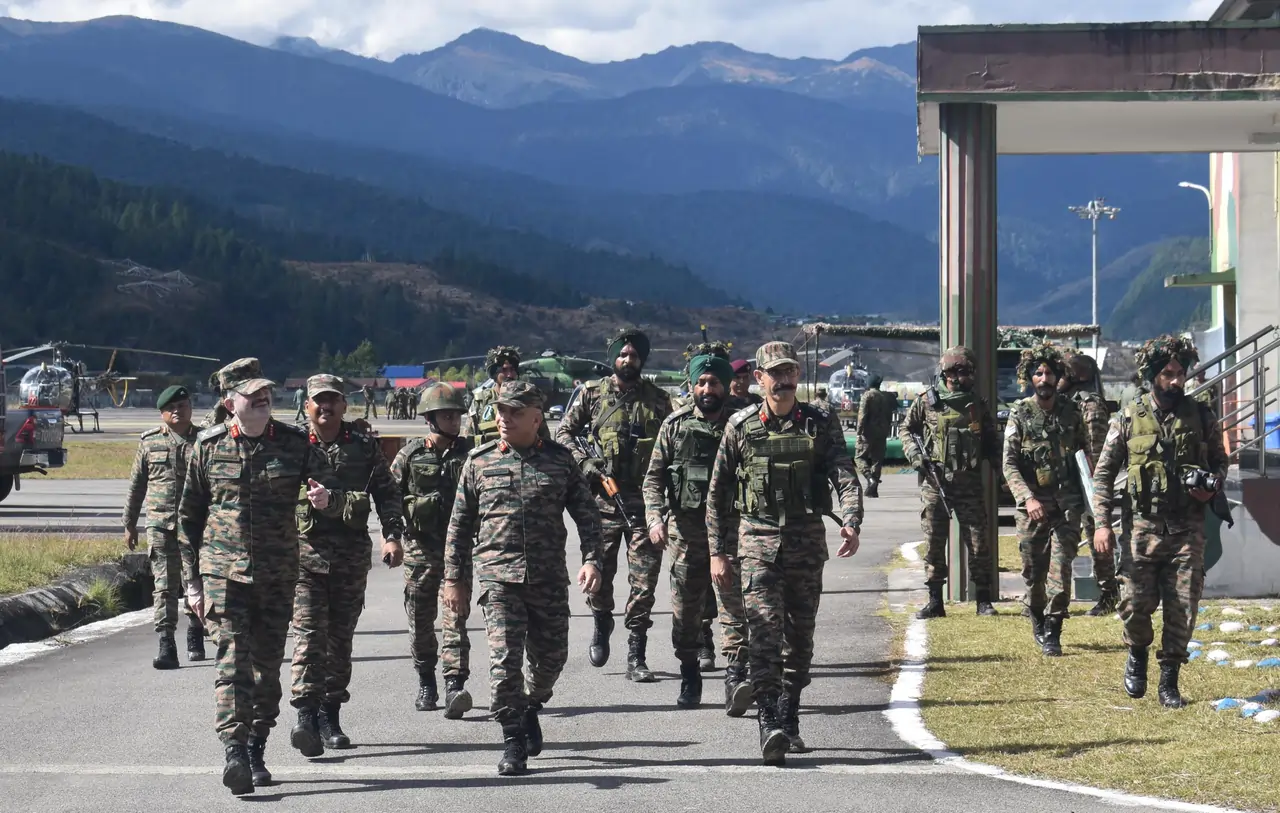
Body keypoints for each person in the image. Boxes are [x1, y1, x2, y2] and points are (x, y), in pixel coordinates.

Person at [177, 358, 343, 796]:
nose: (264, 399)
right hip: (222, 575)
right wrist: (191, 584)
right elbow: (188, 519)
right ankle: (233, 750)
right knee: (233, 664)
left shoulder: (294, 444)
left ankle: (256, 746)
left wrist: (325, 497)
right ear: (231, 402)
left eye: (267, 393)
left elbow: (330, 488)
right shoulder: (208, 447)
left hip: (277, 574)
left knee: (267, 670)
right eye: (253, 394)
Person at [706, 341, 863, 765]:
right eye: (775, 373)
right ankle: (770, 721)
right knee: (764, 633)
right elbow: (718, 496)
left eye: (790, 372)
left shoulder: (820, 422)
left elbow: (844, 476)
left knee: (800, 641)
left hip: (807, 545)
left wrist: (851, 519)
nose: (784, 380)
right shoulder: (739, 426)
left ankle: (790, 713)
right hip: (756, 545)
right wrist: (718, 552)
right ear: (759, 379)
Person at [442, 380, 605, 776]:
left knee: (551, 660)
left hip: (548, 579)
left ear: (536, 418)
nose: (504, 418)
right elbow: (459, 527)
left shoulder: (561, 461)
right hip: (499, 581)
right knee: (503, 665)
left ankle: (531, 705)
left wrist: (592, 561)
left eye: (514, 412)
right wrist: (454, 579)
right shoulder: (478, 463)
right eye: (501, 411)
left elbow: (588, 517)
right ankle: (512, 739)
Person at [1092, 335, 1227, 708]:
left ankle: (1170, 680)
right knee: (1135, 605)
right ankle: (1137, 651)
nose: (1176, 381)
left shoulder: (1200, 415)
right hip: (1141, 530)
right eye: (1168, 373)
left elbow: (1220, 461)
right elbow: (1103, 475)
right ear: (1152, 375)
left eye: (1181, 373)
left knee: (1183, 607)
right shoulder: (1129, 416)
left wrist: (1211, 488)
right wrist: (1102, 524)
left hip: (1188, 530)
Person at [289, 374, 404, 755]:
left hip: (350, 560)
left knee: (340, 640)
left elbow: (388, 493)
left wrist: (392, 536)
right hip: (302, 559)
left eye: (333, 400)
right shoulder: (291, 446)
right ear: (306, 405)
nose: (326, 407)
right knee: (308, 636)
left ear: (344, 405)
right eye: (318, 400)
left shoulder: (363, 447)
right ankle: (305, 715)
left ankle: (330, 714)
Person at [555, 327, 673, 679]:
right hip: (600, 504)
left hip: (644, 505)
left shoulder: (658, 399)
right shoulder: (591, 395)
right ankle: (601, 620)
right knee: (599, 578)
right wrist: (584, 462)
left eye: (634, 355)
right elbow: (564, 433)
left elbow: (670, 444)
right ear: (613, 360)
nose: (628, 360)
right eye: (622, 355)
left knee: (644, 583)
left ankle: (636, 654)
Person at [642, 354, 750, 713]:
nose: (707, 389)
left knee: (734, 607)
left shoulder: (742, 424)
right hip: (686, 537)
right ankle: (690, 673)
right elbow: (654, 479)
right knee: (686, 616)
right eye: (701, 383)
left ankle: (736, 676)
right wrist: (655, 519)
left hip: (734, 534)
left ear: (724, 385)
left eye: (714, 383)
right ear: (691, 386)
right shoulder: (675, 426)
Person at [391, 383, 475, 718]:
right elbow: (390, 499)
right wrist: (391, 537)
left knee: (456, 619)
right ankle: (427, 681)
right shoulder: (409, 456)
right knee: (421, 622)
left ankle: (455, 684)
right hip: (419, 552)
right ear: (431, 419)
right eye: (446, 415)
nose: (454, 420)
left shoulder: (471, 456)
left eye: (456, 414)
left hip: (457, 553)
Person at [899, 346, 1001, 618]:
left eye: (967, 372)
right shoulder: (928, 402)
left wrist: (1005, 476)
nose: (962, 378)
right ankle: (935, 600)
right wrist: (915, 456)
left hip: (969, 483)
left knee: (979, 544)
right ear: (946, 373)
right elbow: (906, 429)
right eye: (957, 372)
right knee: (933, 542)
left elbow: (993, 443)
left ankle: (983, 600)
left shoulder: (977, 406)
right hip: (936, 482)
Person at [1002, 343, 1086, 655]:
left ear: (1058, 377)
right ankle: (1036, 613)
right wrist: (1027, 498)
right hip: (1032, 508)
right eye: (1038, 373)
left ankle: (1053, 628)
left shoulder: (1071, 413)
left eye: (1049, 372)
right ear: (1029, 378)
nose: (1044, 378)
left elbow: (1084, 458)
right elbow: (1008, 464)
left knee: (1061, 569)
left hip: (1066, 506)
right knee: (1033, 572)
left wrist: (1091, 502)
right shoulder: (1020, 413)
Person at [123, 384, 204, 669]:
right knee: (164, 586)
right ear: (162, 414)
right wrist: (129, 523)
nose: (177, 411)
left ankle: (196, 631)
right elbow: (137, 485)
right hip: (161, 525)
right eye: (171, 408)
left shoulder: (205, 441)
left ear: (190, 408)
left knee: (196, 581)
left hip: (198, 526)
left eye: (182, 406)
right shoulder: (149, 442)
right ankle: (166, 642)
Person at [1059, 351, 1119, 615]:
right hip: (1067, 482)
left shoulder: (1090, 406)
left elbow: (1096, 453)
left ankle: (1108, 592)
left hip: (1088, 483)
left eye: (1061, 373)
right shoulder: (1066, 402)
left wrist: (1094, 492)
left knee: (1097, 539)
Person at [855, 374, 895, 498]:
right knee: (877, 460)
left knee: (859, 457)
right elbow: (890, 415)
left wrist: (859, 432)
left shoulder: (867, 396)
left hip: (868, 432)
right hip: (882, 432)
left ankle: (869, 478)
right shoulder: (885, 397)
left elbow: (862, 415)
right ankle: (873, 489)